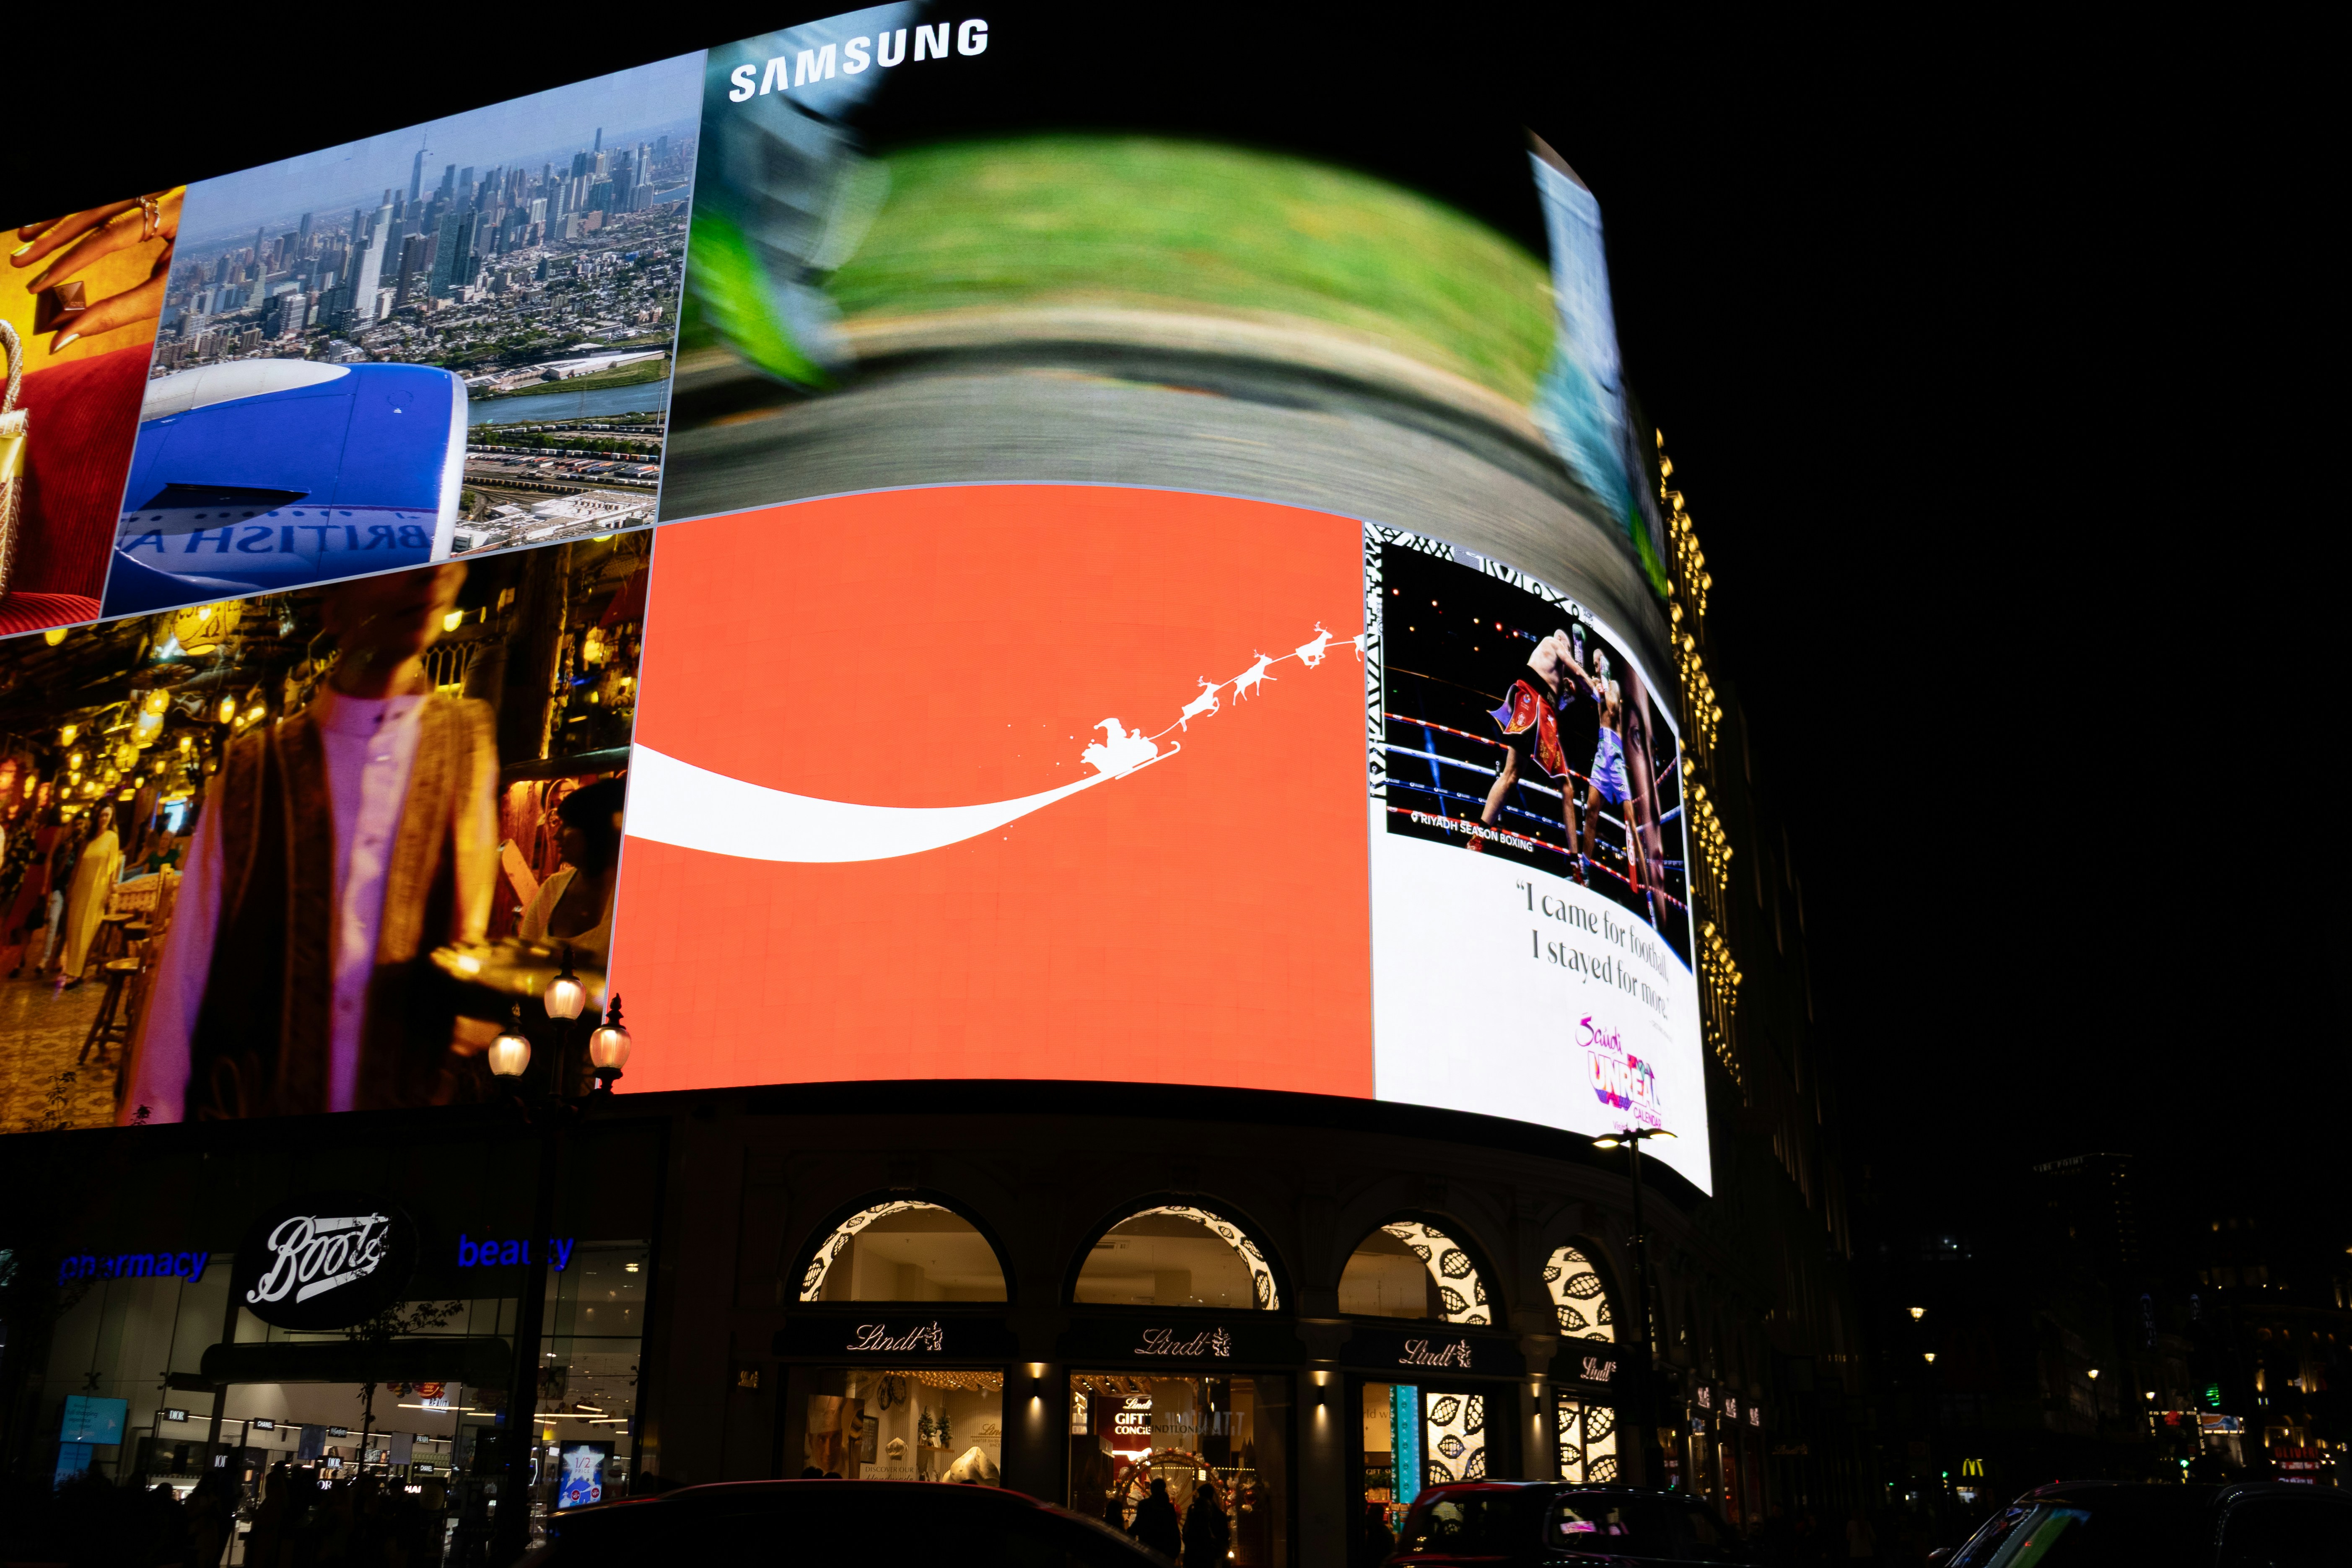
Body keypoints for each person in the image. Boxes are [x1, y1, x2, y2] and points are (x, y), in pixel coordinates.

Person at [121, 564, 499, 1121]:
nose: (431, 576)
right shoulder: (252, 767)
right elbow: (187, 968)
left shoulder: (469, 742)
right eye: (400, 560)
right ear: (335, 608)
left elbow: (467, 934)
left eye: (448, 557)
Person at [1475, 630, 1592, 878]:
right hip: (1531, 702)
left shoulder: (1559, 678)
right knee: (1511, 774)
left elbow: (1559, 708)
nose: (1566, 647)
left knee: (1566, 787)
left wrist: (1571, 694)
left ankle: (1575, 866)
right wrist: (1596, 691)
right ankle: (1478, 838)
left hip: (1545, 714)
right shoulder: (1551, 642)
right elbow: (1581, 673)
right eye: (1566, 644)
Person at [516, 778, 626, 959]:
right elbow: (525, 953)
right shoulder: (554, 886)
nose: (557, 836)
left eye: (568, 826)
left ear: (595, 832)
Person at [56, 802, 121, 985]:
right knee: (74, 928)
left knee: (88, 930)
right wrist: (70, 888)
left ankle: (78, 973)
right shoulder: (88, 839)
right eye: (102, 815)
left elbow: (113, 866)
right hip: (80, 888)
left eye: (107, 815)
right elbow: (77, 865)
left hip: (97, 889)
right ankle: (70, 969)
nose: (104, 819)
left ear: (111, 818)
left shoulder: (112, 838)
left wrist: (111, 888)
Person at [1129, 1476, 1182, 1560]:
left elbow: (1138, 1524)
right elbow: (1173, 1529)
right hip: (1165, 1550)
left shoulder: (1144, 1505)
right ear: (1164, 1489)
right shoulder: (1169, 1507)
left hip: (1147, 1548)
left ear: (1152, 1490)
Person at [1181, 1483, 1232, 1568]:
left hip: (1193, 1558)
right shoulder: (1219, 1515)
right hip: (1210, 1558)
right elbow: (1225, 1536)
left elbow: (1186, 1533)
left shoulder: (1193, 1513)